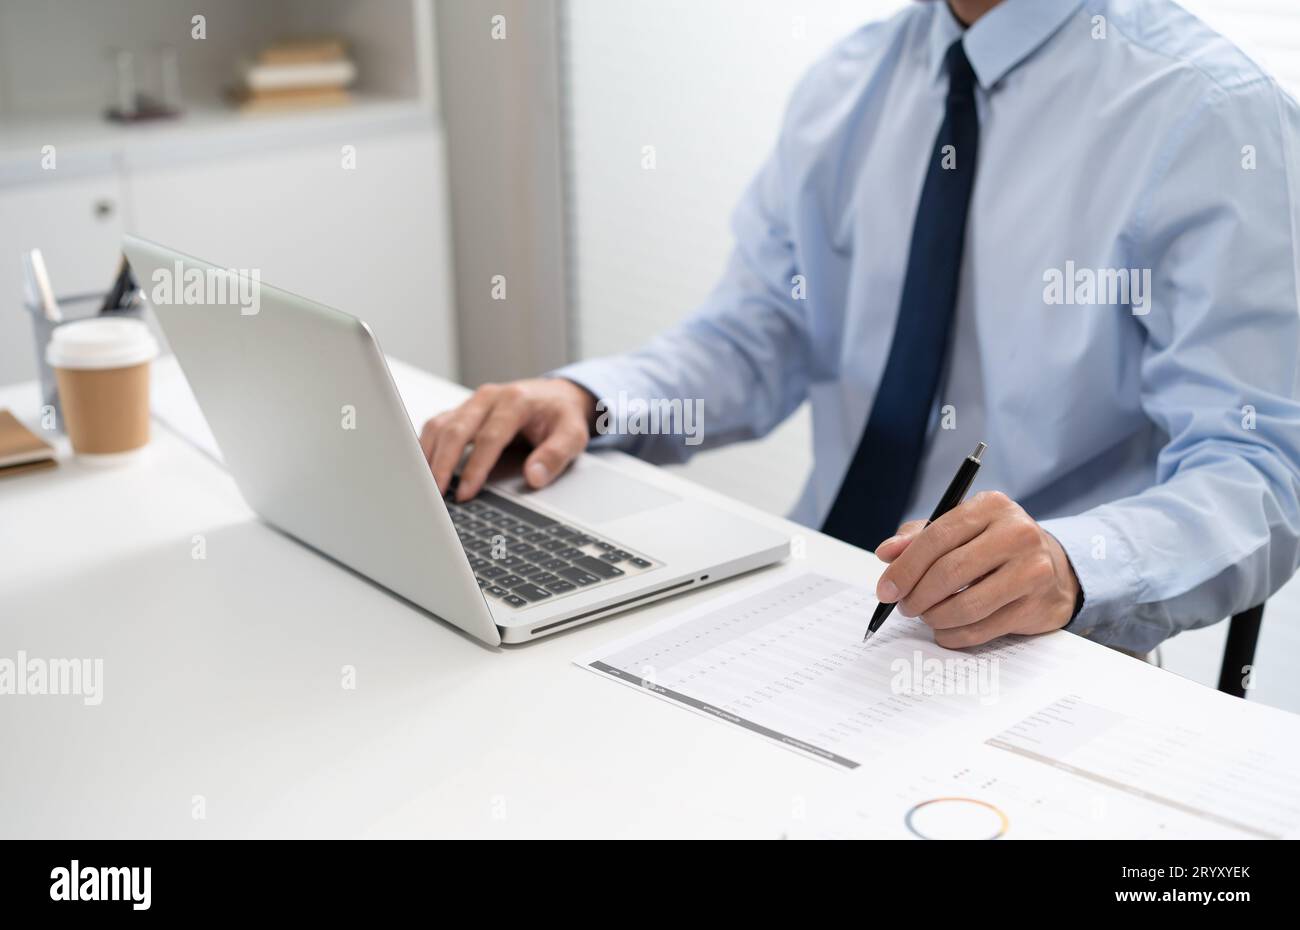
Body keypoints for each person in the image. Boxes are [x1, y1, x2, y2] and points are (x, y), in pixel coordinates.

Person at [420, 0, 1300, 654]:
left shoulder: (1210, 116)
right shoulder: (850, 79)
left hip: (1033, 657)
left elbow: (1262, 469)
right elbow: (761, 330)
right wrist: (589, 399)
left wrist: (1074, 563)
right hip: (812, 603)